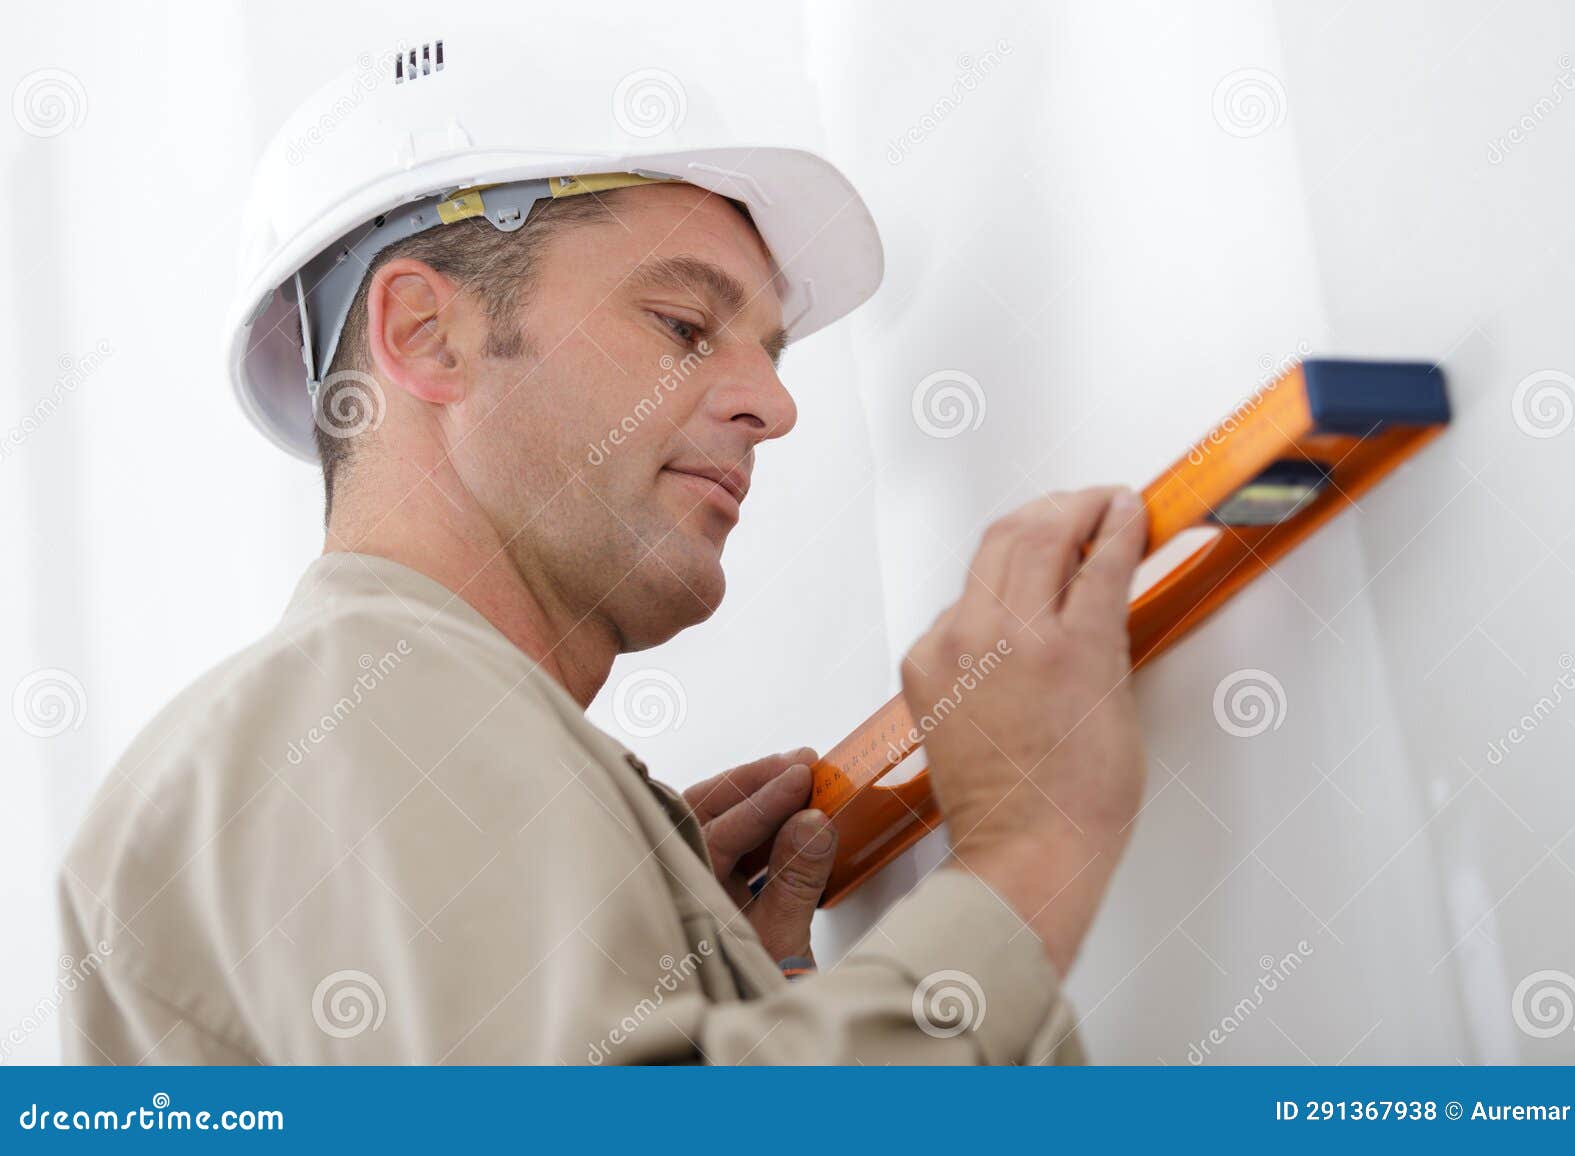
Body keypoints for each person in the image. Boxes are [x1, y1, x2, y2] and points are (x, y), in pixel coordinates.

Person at [58, 39, 1149, 1065]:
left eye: (769, 353)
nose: (772, 404)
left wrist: (721, 994)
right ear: (426, 335)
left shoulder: (327, 743)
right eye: (682, 324)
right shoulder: (350, 710)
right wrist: (1024, 859)